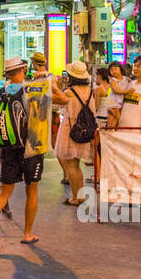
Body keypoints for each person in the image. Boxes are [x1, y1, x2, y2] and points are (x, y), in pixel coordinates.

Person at [0, 57, 40, 245]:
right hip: (30, 147)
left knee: (5, 190)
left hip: (8, 146)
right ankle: (27, 233)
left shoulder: (0, 92)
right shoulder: (30, 90)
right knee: (31, 189)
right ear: (23, 69)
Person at [51, 60, 95, 210]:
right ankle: (79, 195)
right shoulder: (90, 92)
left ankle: (76, 197)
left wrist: (55, 88)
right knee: (77, 165)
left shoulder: (69, 92)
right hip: (83, 130)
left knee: (70, 165)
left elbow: (56, 106)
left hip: (70, 130)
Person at [105, 61, 130, 128]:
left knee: (119, 121)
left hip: (122, 102)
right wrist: (128, 91)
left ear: (120, 69)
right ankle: (110, 133)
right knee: (112, 122)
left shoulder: (126, 79)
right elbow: (116, 90)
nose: (114, 71)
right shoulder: (112, 80)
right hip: (113, 102)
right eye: (111, 70)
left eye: (115, 69)